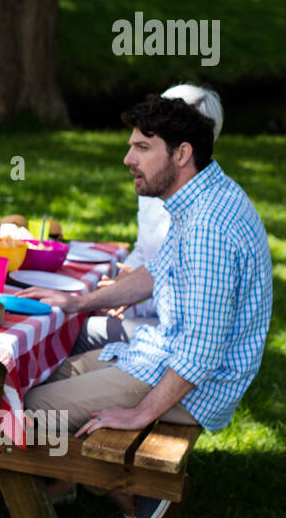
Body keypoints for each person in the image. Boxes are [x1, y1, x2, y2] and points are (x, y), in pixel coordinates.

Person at [18, 94, 272, 518]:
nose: (127, 158)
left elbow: (200, 354)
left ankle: (138, 491)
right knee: (45, 374)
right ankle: (96, 484)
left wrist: (138, 416)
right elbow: (157, 272)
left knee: (29, 411)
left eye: (141, 147)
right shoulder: (198, 197)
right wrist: (79, 301)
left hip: (193, 383)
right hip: (162, 352)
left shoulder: (209, 229)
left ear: (180, 154)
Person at [75, 83, 225, 353]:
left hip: (173, 334)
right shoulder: (153, 184)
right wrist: (122, 285)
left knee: (78, 328)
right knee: (77, 315)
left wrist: (131, 295)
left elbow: (193, 309)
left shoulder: (204, 218)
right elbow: (144, 251)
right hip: (148, 309)